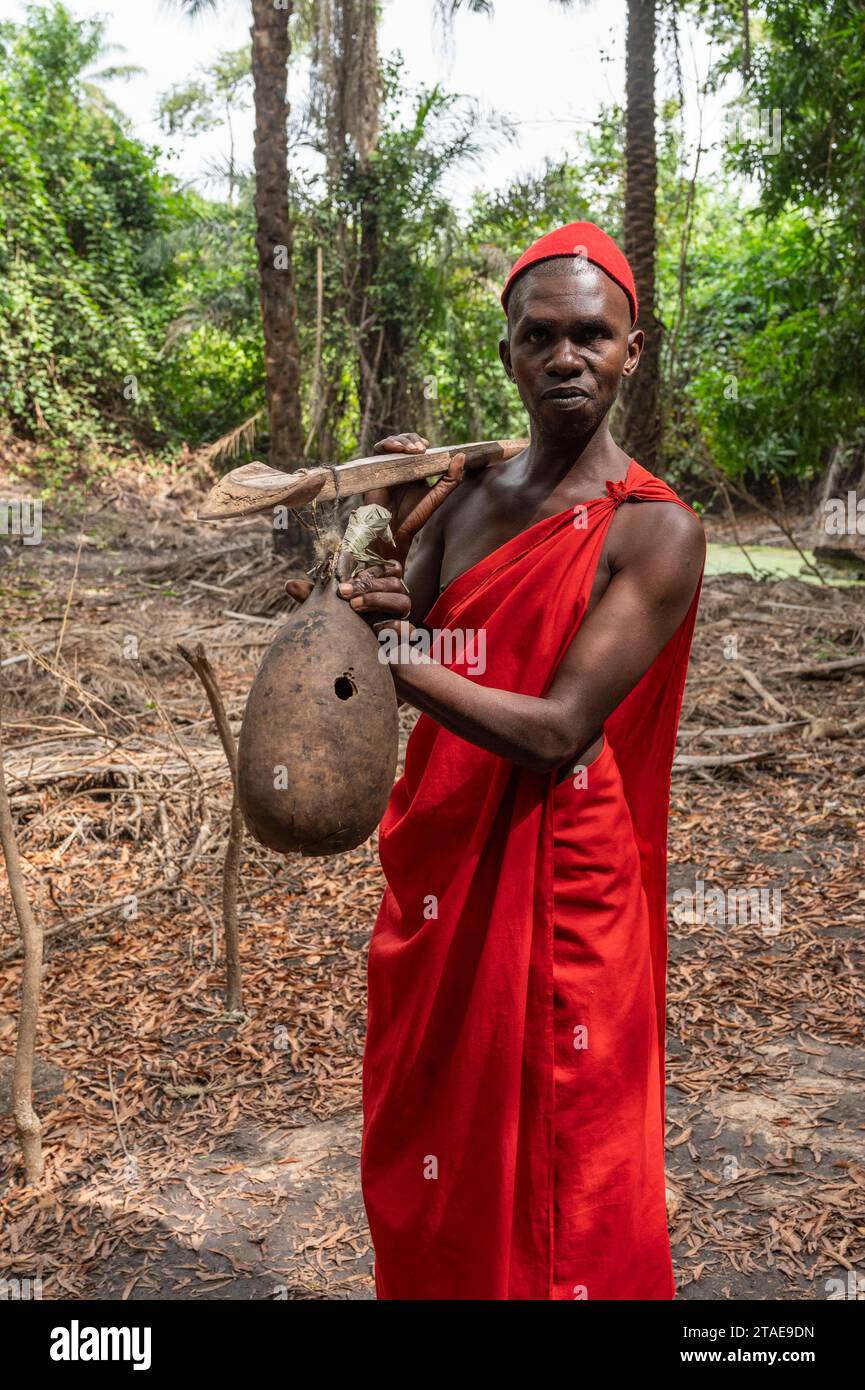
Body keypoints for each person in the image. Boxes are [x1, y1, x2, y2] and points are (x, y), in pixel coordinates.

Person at [290, 222, 705, 1300]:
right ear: (509, 354)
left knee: (570, 1166)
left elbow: (560, 728)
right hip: (442, 871)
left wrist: (396, 649)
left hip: (566, 879)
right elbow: (398, 644)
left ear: (631, 350)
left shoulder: (653, 531)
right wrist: (366, 564)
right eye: (539, 337)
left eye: (590, 337)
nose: (565, 358)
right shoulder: (464, 500)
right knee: (434, 1138)